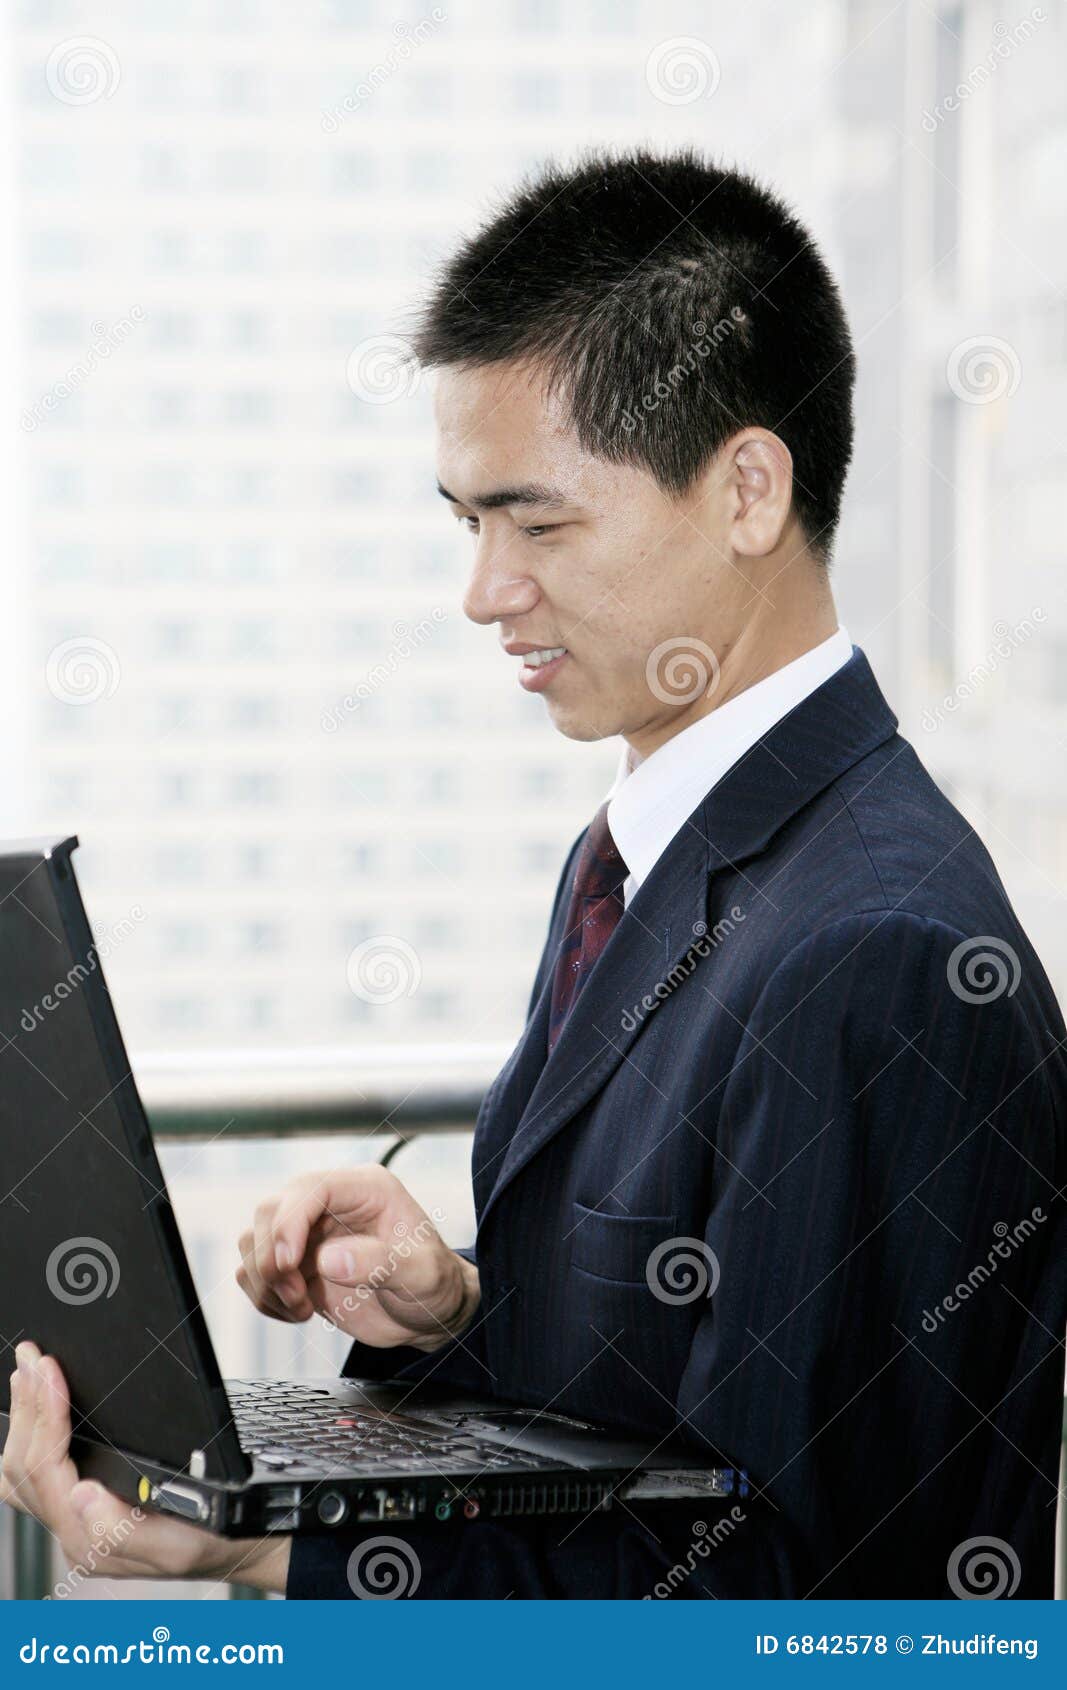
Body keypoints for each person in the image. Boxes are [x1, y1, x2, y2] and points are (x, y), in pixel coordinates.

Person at [4, 147, 1064, 1600]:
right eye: (467, 520)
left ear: (749, 488)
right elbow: (680, 1411)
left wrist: (275, 1541)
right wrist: (454, 1313)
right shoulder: (645, 848)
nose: (484, 589)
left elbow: (798, 1603)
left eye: (538, 520)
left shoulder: (875, 953)